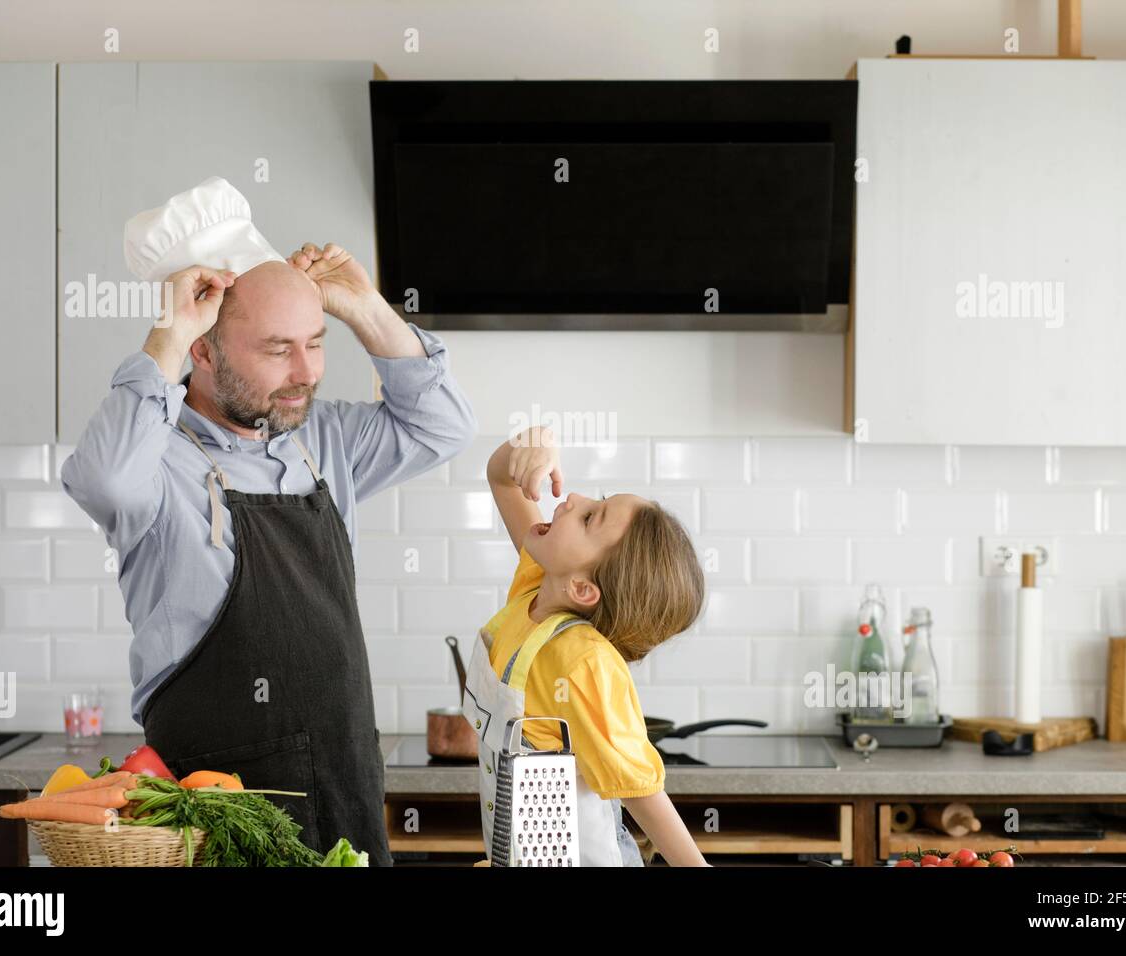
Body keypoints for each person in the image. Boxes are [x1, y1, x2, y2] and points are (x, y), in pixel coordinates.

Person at [61, 177, 477, 863]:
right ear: (202, 348)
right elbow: (102, 481)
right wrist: (165, 337)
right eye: (278, 349)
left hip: (345, 796)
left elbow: (446, 428)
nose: (306, 371)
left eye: (316, 342)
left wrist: (365, 307)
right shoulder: (157, 463)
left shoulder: (324, 443)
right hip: (217, 821)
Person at [462, 425, 710, 865]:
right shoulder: (536, 587)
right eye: (595, 501)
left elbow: (641, 790)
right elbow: (501, 478)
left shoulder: (584, 662)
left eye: (590, 517)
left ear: (582, 589)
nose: (572, 499)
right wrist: (526, 445)